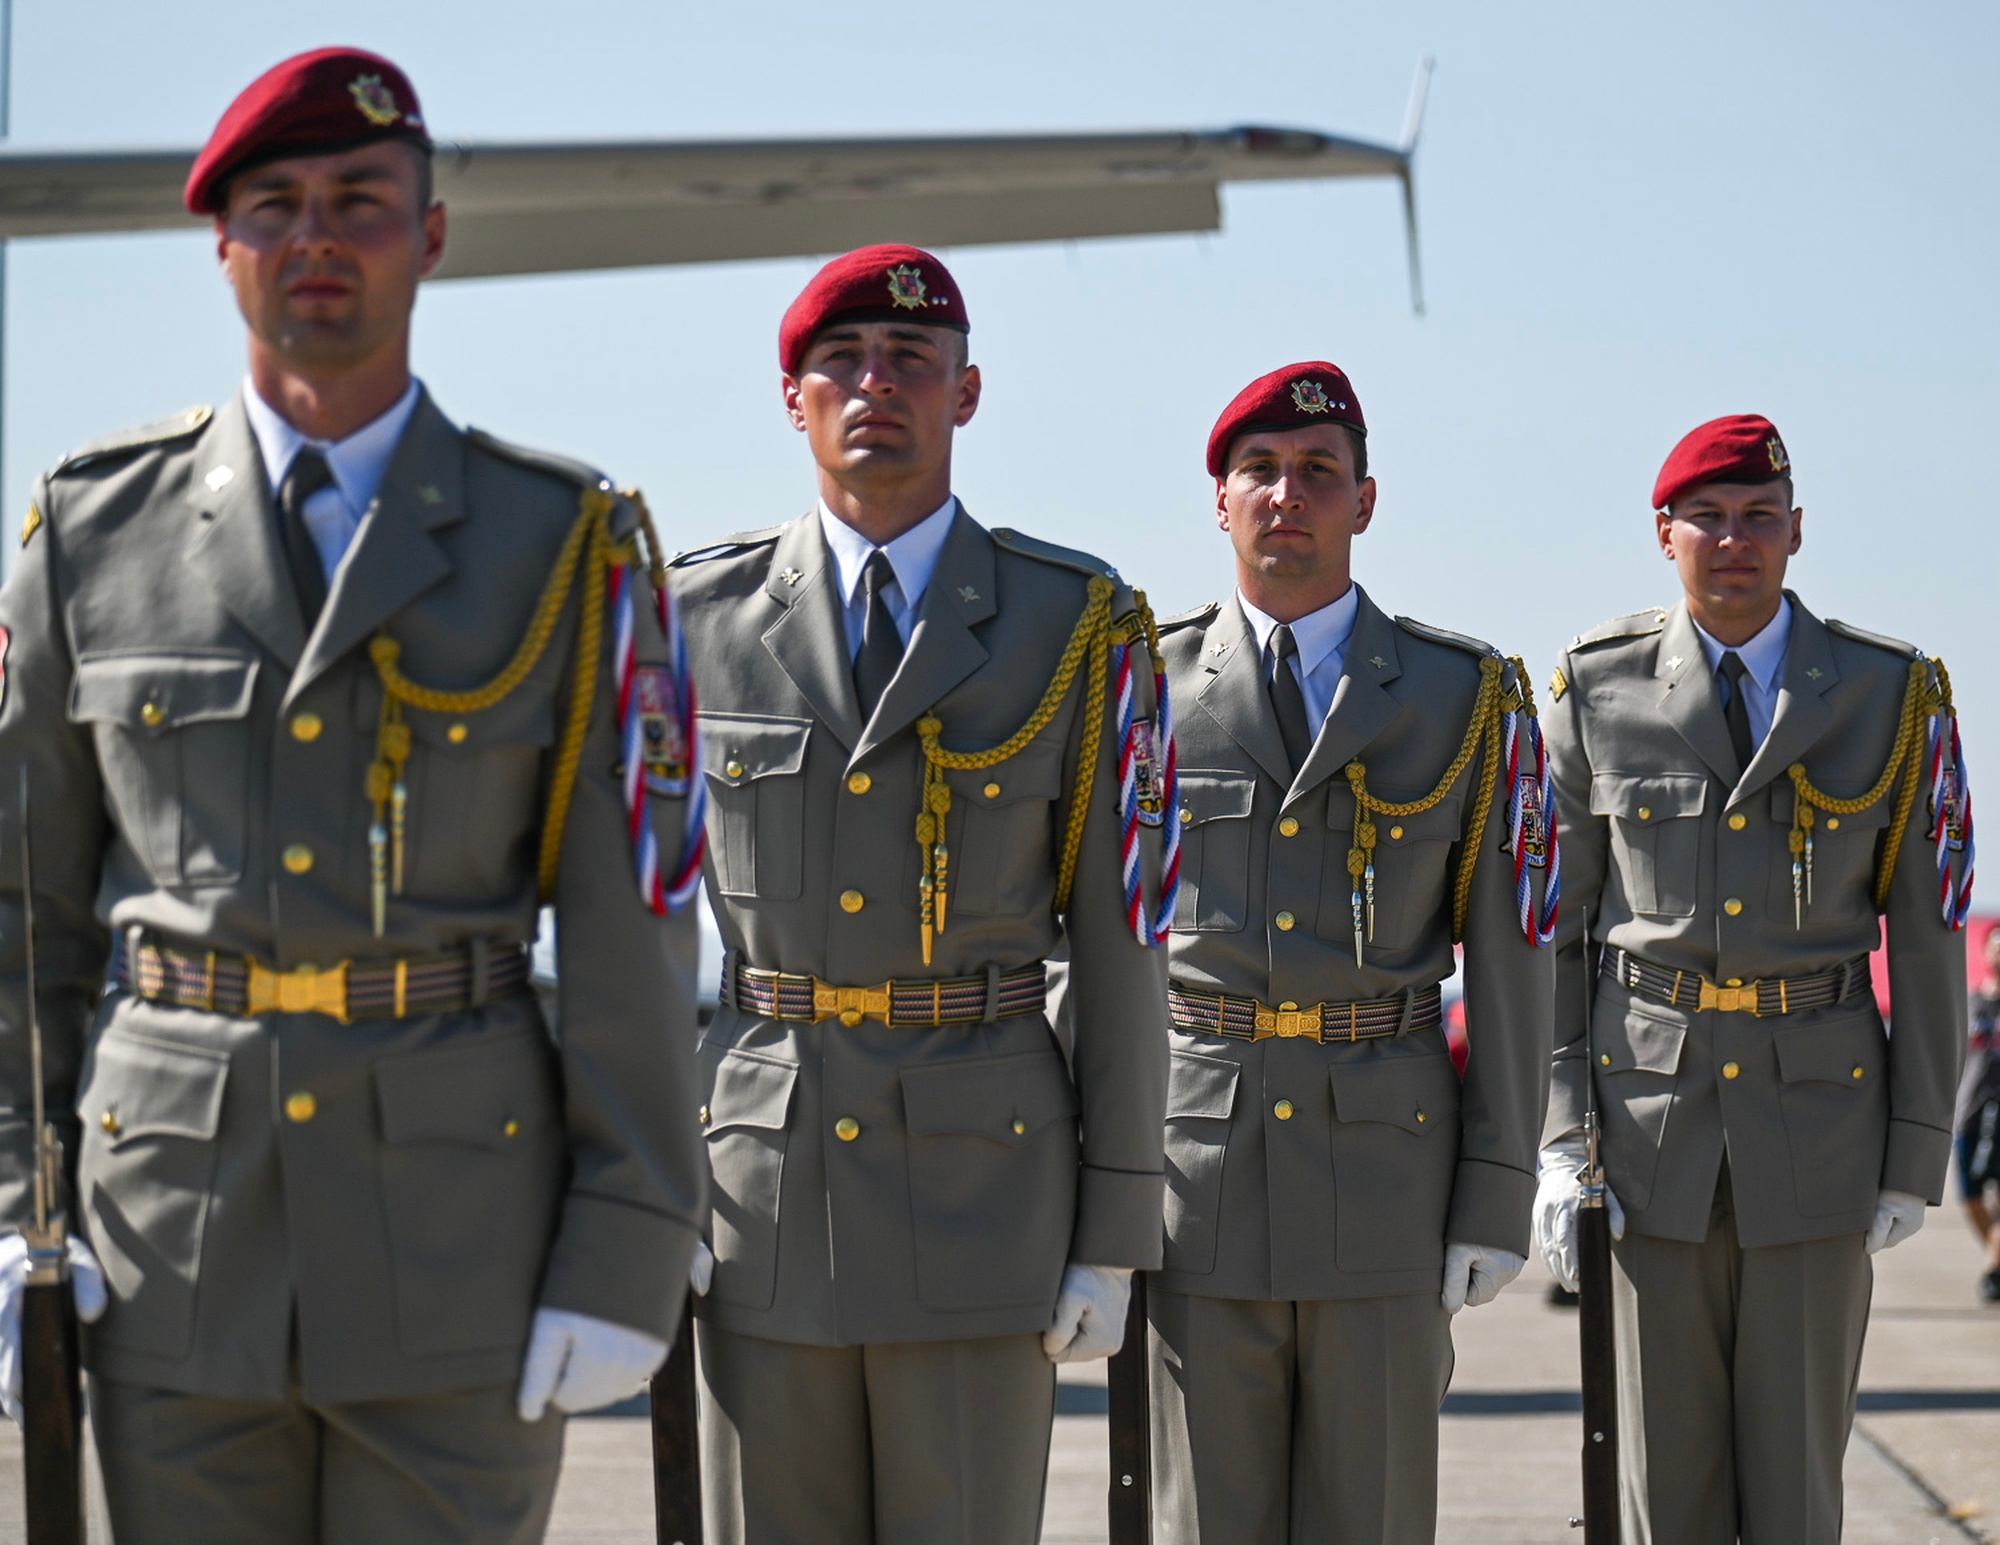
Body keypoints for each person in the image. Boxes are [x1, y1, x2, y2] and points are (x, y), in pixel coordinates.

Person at [0, 48, 708, 1543]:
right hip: (166, 1244)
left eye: (358, 200)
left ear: (431, 234)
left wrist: (630, 1241)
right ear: (224, 244)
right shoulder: (89, 535)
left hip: (461, 1244)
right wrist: (17, 1207)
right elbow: (28, 920)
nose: (315, 235)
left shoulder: (564, 545)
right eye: (277, 203)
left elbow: (635, 929)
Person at [668, 244, 1171, 1545]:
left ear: (968, 392)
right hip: (757, 1183)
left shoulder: (1079, 625)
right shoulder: (688, 621)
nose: (874, 385)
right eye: (840, 361)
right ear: (791, 398)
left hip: (982, 1193)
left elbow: (1125, 948)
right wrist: (643, 1188)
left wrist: (1115, 1227)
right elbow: (644, 934)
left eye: (911, 361)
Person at [1534, 414, 1973, 1542]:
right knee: (1659, 1489)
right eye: (1707, 519)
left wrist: (1913, 1153)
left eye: (1757, 518)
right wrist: (1556, 1134)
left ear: (1794, 534)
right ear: (1662, 534)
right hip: (1645, 1135)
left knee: (1793, 1489)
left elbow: (1923, 937)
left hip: (1819, 1131)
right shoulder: (1594, 688)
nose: (1733, 541)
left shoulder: (1888, 695)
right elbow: (1556, 932)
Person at [1145, 362, 1555, 1542]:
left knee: (1371, 1518)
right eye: (1258, 472)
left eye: (1317, 473)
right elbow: (1094, 951)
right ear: (1217, 502)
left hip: (1388, 1180)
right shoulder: (1140, 689)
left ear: (1361, 504)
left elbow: (1512, 961)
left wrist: (1495, 1190)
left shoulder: (1463, 696)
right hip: (1196, 1174)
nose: (1287, 494)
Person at [1957, 924, 2000, 1302]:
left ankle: (1992, 1266)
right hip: (1970, 1112)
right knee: (1969, 1196)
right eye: (1996, 943)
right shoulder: (1970, 1003)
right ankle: (1995, 1256)